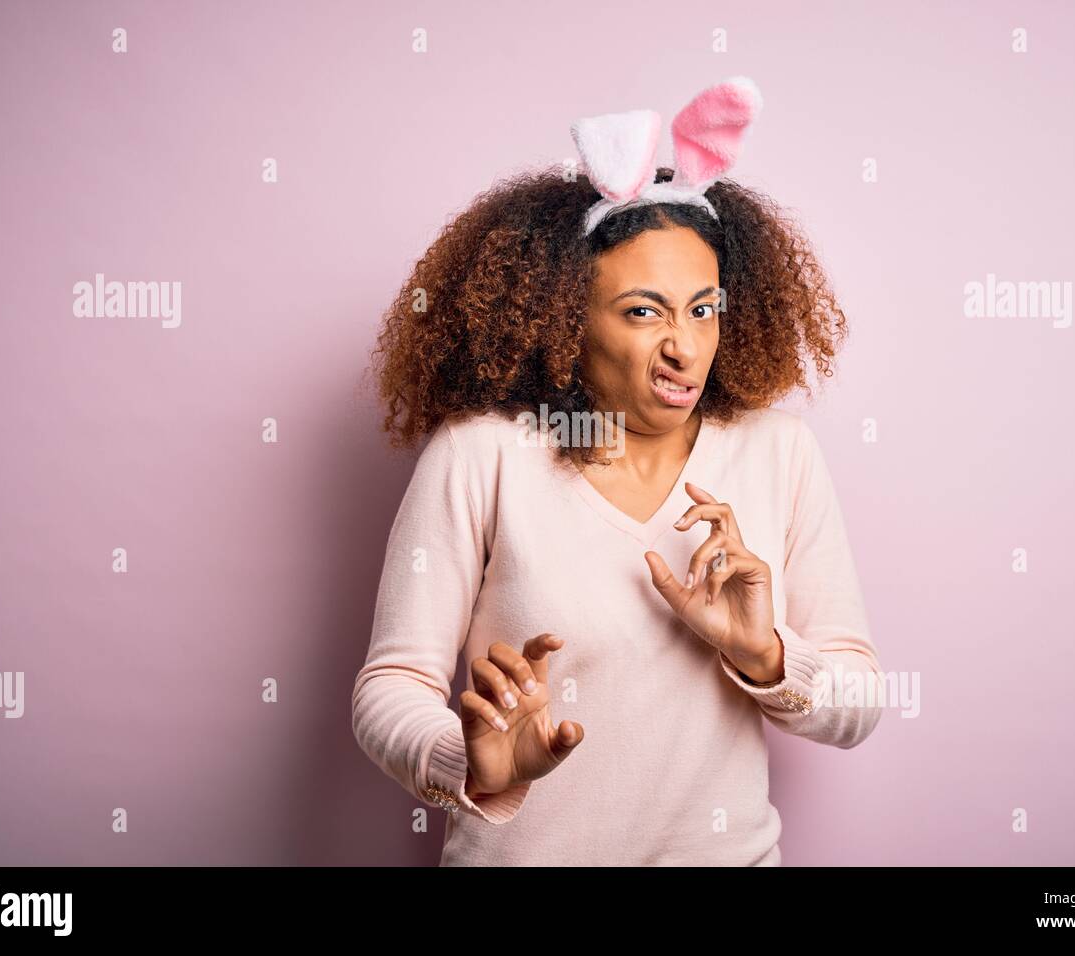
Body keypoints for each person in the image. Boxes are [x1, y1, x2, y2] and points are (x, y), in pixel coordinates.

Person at [351, 76, 882, 866]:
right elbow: (390, 686)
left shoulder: (779, 453)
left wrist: (766, 654)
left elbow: (860, 699)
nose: (684, 346)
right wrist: (470, 762)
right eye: (643, 311)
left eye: (703, 308)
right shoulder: (482, 455)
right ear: (565, 318)